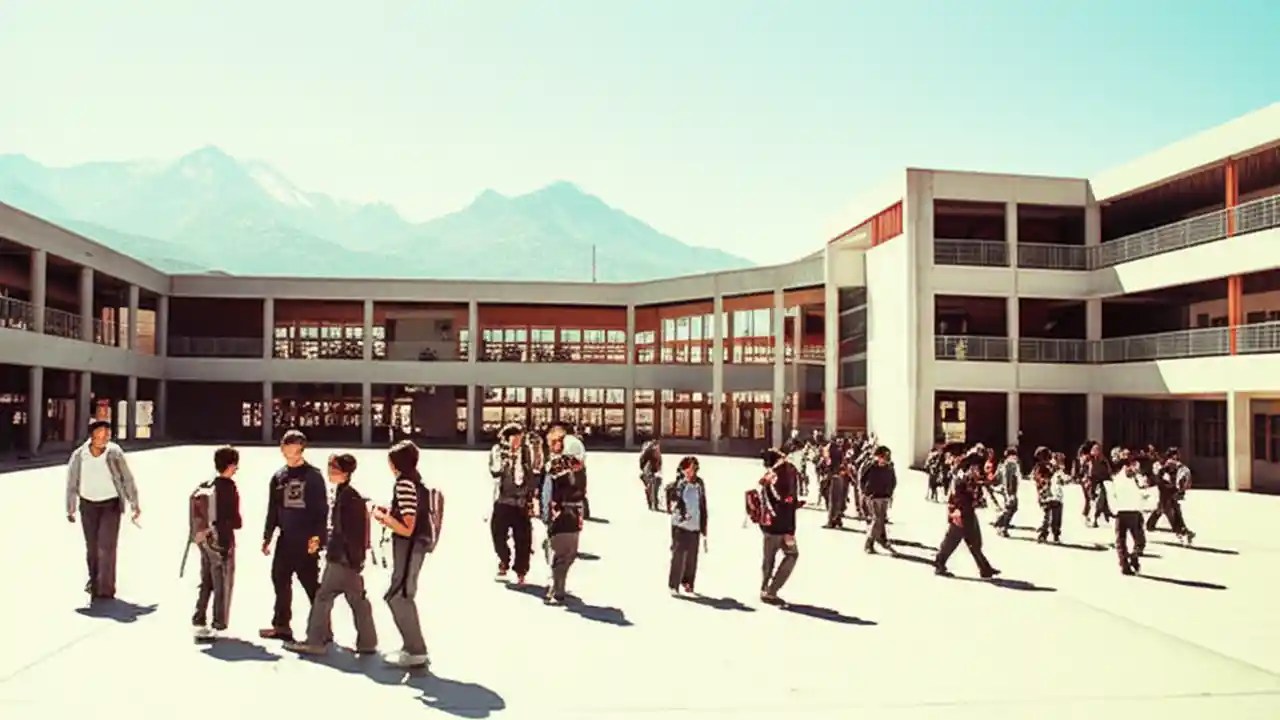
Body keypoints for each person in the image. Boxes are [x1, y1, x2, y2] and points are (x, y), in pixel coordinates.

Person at [285, 453, 378, 656]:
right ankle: (368, 642)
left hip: (341, 559)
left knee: (323, 597)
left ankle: (315, 640)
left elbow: (347, 532)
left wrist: (340, 553)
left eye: (334, 468)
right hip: (350, 560)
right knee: (358, 600)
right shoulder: (348, 494)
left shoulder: (348, 498)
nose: (330, 472)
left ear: (345, 473)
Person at [372, 440, 435, 668]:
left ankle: (415, 649)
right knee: (401, 594)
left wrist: (384, 518)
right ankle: (412, 647)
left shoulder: (404, 484)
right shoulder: (416, 482)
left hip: (409, 547)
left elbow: (407, 527)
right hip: (416, 546)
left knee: (399, 596)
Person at [260, 430, 327, 642]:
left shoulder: (313, 477)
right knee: (279, 578)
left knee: (310, 584)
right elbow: (273, 508)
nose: (290, 456)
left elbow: (321, 510)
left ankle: (323, 628)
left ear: (302, 450)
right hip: (286, 538)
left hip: (306, 539)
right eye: (286, 452)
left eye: (294, 452)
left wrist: (318, 538)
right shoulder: (279, 477)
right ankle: (281, 625)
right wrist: (268, 535)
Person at [65, 418, 141, 601]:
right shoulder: (80, 454)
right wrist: (70, 507)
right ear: (93, 435)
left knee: (106, 547)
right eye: (102, 432)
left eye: (108, 433)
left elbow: (127, 478)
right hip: (88, 505)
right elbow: (72, 481)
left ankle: (106, 589)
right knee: (92, 547)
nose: (106, 436)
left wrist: (134, 502)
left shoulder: (114, 452)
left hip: (110, 505)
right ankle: (94, 581)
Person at [193, 446, 242, 641]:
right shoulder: (229, 487)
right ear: (230, 466)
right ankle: (218, 621)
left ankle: (199, 615)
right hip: (222, 540)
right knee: (222, 582)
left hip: (204, 540)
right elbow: (236, 520)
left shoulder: (205, 485)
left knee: (206, 581)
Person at [934, 453, 1000, 579]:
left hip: (967, 511)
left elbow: (977, 485)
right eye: (977, 466)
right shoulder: (962, 476)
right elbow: (958, 494)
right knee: (952, 541)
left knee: (975, 541)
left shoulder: (968, 475)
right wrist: (957, 511)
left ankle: (985, 569)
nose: (978, 469)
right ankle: (939, 563)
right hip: (960, 512)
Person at [543, 424, 587, 605]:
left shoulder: (570, 464)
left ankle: (556, 587)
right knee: (562, 552)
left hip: (570, 511)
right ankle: (557, 589)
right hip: (562, 512)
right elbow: (547, 489)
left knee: (566, 553)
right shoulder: (555, 465)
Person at [488, 423, 537, 584]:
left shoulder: (527, 451)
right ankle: (504, 559)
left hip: (521, 502)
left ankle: (521, 571)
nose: (518, 442)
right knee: (498, 535)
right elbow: (495, 470)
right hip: (503, 501)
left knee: (523, 539)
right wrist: (507, 459)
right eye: (514, 438)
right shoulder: (498, 451)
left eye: (520, 438)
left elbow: (535, 470)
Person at [758, 448, 801, 605]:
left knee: (768, 560)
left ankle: (765, 589)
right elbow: (786, 502)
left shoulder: (769, 475)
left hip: (768, 524)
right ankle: (771, 590)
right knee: (792, 554)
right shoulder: (785, 473)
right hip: (782, 526)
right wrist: (791, 530)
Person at [668, 456, 708, 596]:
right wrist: (680, 513)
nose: (691, 471)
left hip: (695, 524)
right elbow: (673, 503)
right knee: (678, 556)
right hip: (680, 525)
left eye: (694, 468)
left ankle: (688, 582)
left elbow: (703, 504)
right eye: (689, 468)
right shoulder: (679, 484)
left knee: (692, 557)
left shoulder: (699, 484)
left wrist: (704, 526)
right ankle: (674, 585)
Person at [1104, 454, 1149, 576]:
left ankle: (1132, 558)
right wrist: (1114, 510)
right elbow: (1111, 495)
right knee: (1122, 541)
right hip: (1125, 512)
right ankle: (1125, 564)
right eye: (1133, 467)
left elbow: (1143, 491)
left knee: (1137, 541)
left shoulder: (1135, 478)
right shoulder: (1119, 479)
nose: (1135, 469)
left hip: (1131, 511)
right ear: (1126, 466)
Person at [859, 445, 897, 554]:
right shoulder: (870, 466)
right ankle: (869, 543)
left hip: (884, 496)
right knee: (876, 519)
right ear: (877, 457)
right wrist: (864, 492)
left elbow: (893, 481)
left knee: (881, 519)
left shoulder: (889, 468)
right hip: (872, 496)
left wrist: (890, 493)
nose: (884, 460)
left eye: (886, 458)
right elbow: (862, 478)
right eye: (883, 457)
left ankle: (882, 538)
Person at [639, 437, 664, 511]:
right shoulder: (649, 452)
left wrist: (659, 471)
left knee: (654, 487)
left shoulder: (657, 452)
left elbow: (659, 463)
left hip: (653, 471)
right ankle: (652, 504)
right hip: (648, 471)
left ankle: (654, 504)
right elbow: (644, 463)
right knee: (651, 487)